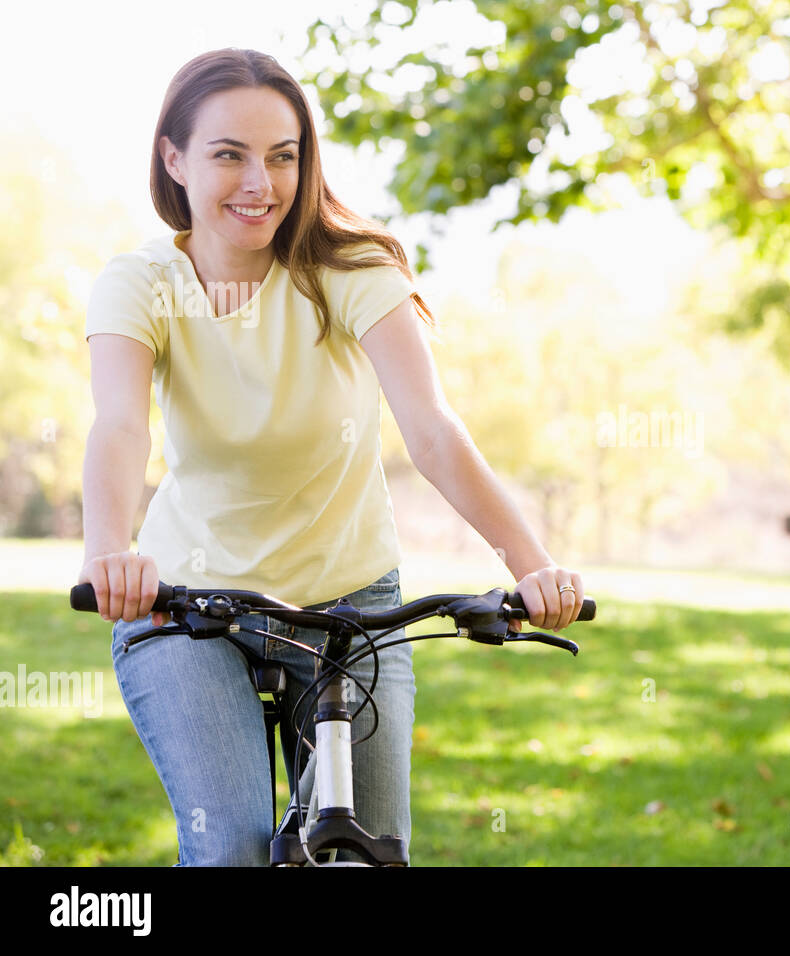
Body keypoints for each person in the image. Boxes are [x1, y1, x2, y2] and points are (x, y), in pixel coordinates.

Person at [78, 48, 585, 866]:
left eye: (283, 156)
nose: (260, 183)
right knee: (233, 847)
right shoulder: (139, 283)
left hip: (348, 610)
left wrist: (532, 564)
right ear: (173, 158)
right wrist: (110, 551)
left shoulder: (350, 268)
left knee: (368, 852)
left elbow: (432, 430)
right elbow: (118, 428)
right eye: (228, 155)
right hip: (186, 605)